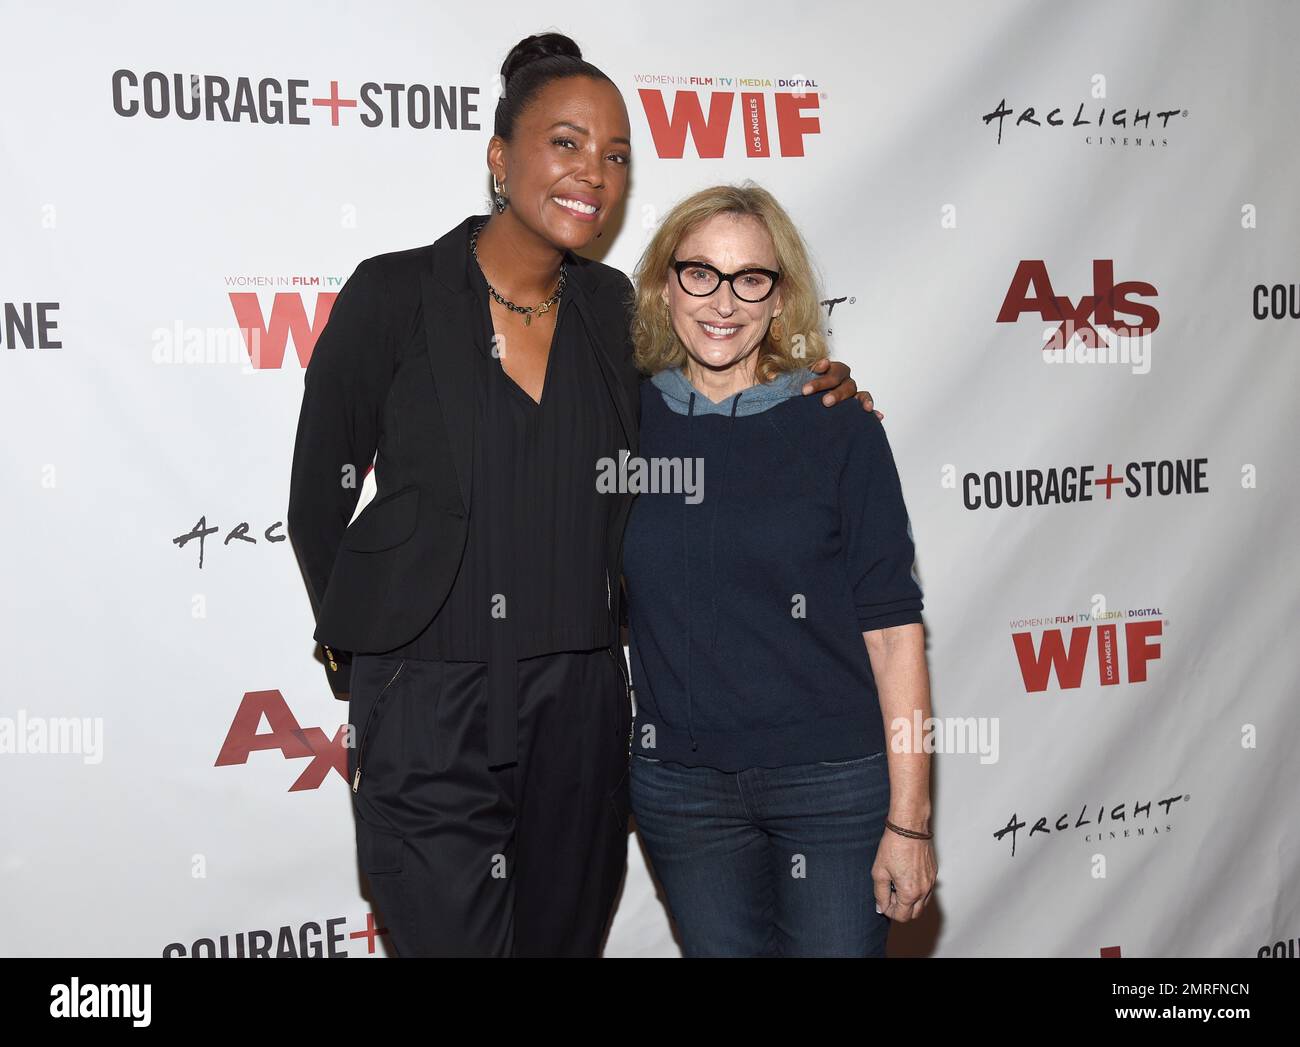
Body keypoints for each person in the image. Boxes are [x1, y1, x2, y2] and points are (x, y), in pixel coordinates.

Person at [286, 34, 870, 957]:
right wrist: (372, 655)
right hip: (428, 704)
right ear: (499, 158)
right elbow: (319, 500)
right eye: (564, 143)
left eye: (614, 155)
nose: (591, 173)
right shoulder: (392, 295)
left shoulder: (617, 312)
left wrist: (817, 395)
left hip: (584, 706)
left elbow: (721, 388)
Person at [623, 182, 937, 957]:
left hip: (833, 786)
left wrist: (910, 818)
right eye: (700, 273)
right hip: (681, 792)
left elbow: (895, 633)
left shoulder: (837, 427)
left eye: (750, 279)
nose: (723, 301)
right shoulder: (620, 422)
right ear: (665, 284)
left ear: (779, 296)